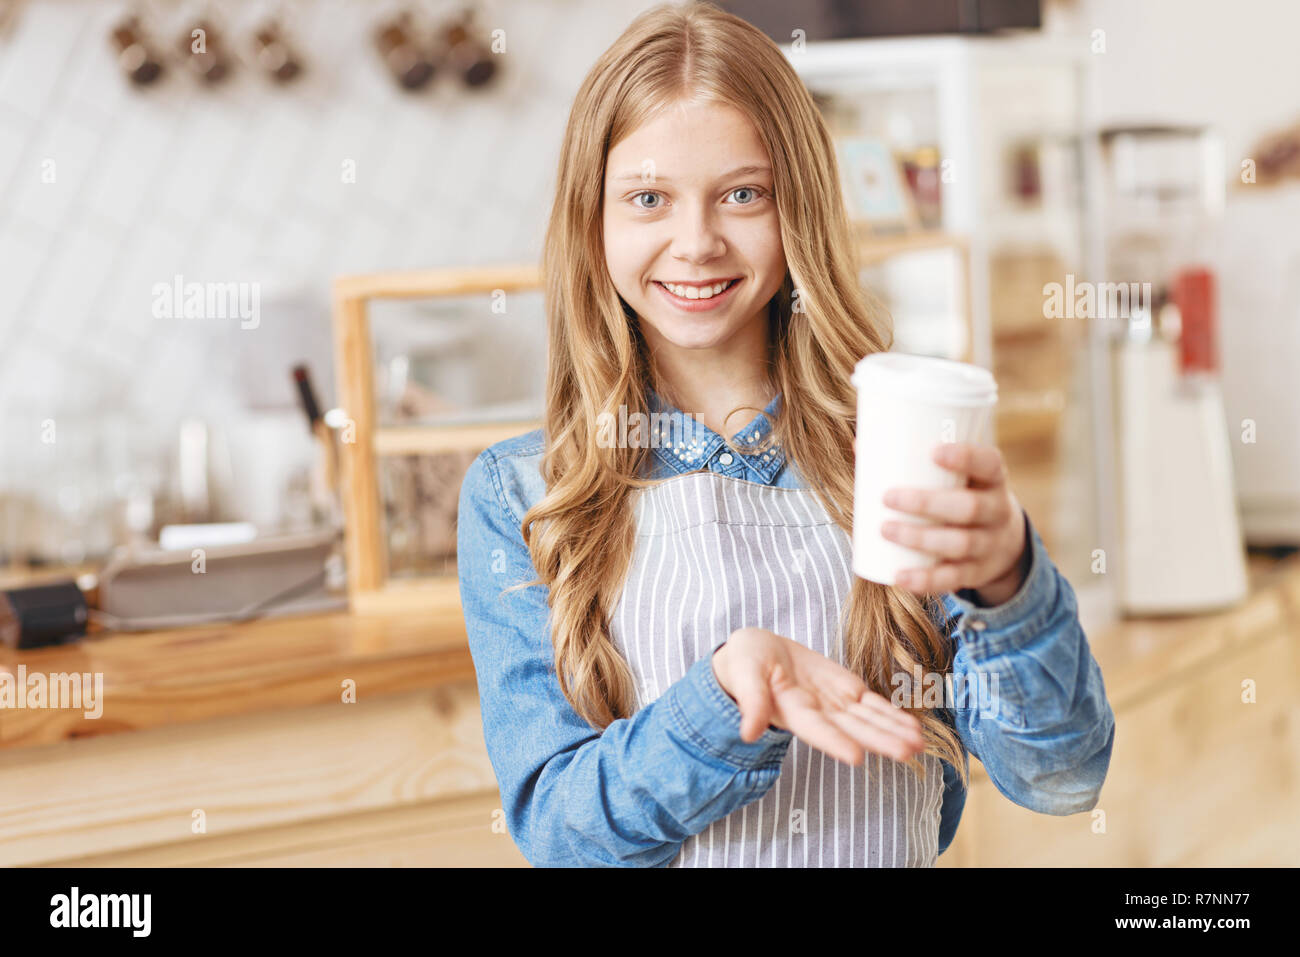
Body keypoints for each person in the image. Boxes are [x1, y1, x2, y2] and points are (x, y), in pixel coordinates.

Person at [456, 1, 1114, 868]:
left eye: (742, 194)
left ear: (797, 205)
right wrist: (727, 695)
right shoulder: (526, 493)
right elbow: (560, 832)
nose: (696, 242)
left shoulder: (891, 450)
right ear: (593, 221)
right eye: (648, 198)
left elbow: (1062, 776)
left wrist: (1009, 582)